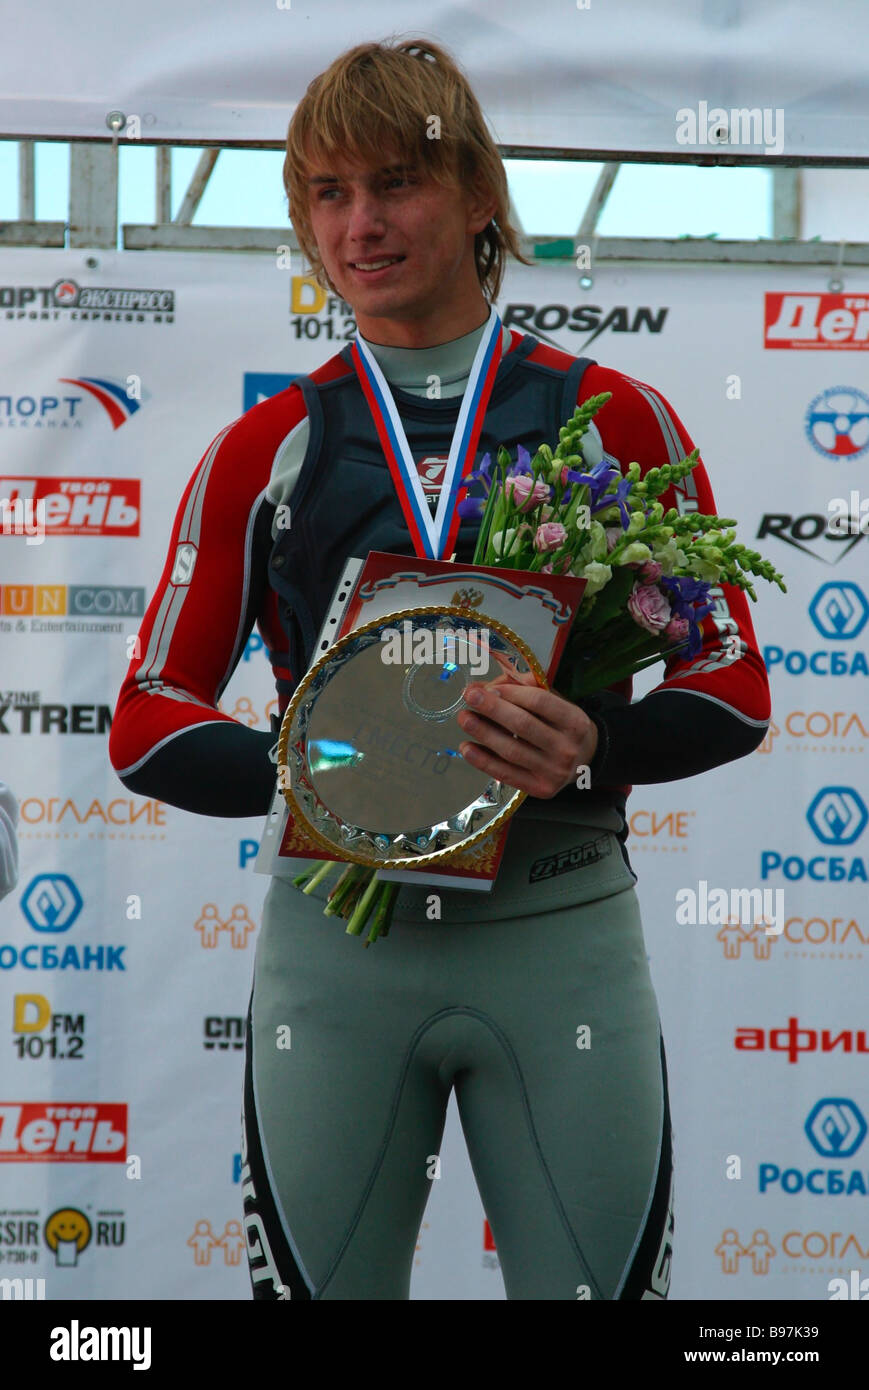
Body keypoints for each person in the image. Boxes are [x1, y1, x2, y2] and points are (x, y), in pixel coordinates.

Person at [108, 38, 771, 1300]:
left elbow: (732, 682)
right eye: (327, 194)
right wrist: (314, 770)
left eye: (395, 184)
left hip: (558, 931)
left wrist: (594, 741)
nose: (360, 224)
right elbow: (145, 720)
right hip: (335, 958)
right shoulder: (265, 447)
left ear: (478, 195)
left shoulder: (612, 421)